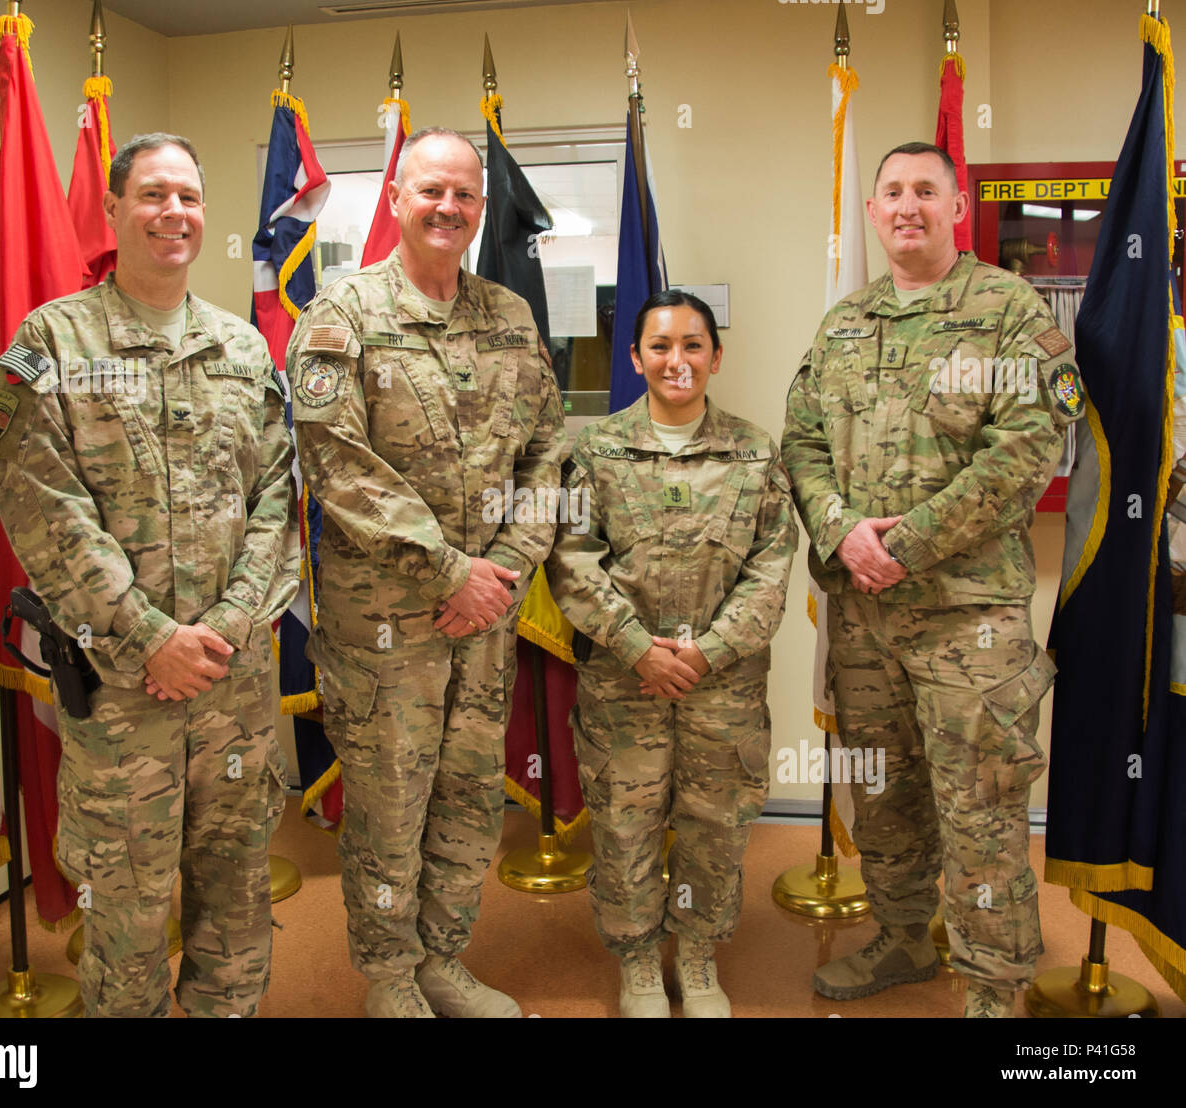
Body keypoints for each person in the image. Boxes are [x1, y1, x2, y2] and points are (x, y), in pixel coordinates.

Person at [0, 133, 299, 1017]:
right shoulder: (49, 342)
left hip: (232, 686)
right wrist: (149, 637)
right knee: (125, 923)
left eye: (190, 197)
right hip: (126, 700)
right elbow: (43, 504)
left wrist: (229, 625)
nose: (175, 214)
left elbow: (278, 495)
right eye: (154, 195)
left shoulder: (242, 347)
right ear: (113, 210)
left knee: (236, 907)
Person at [781, 142, 1087, 1018]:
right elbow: (800, 441)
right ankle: (904, 935)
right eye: (892, 192)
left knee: (982, 806)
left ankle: (996, 992)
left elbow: (1028, 447)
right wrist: (841, 532)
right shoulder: (843, 325)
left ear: (957, 207)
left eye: (926, 190)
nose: (907, 205)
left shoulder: (1005, 310)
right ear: (872, 213)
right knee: (882, 791)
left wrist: (904, 545)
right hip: (863, 613)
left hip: (968, 620)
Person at [285, 128, 567, 1018]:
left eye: (465, 196)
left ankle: (444, 959)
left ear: (481, 209)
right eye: (431, 191)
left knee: (468, 797)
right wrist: (452, 572)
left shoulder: (511, 318)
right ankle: (390, 977)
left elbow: (550, 454)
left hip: (486, 616)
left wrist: (511, 566)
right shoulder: (343, 317)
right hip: (387, 625)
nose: (449, 208)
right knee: (389, 804)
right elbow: (337, 463)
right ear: (398, 199)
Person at [547, 290, 798, 1017]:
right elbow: (571, 560)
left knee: (716, 823)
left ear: (717, 357)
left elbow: (773, 565)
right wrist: (636, 648)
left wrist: (709, 652)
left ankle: (695, 953)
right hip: (626, 684)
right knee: (626, 823)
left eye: (693, 345)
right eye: (660, 346)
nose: (677, 360)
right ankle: (636, 961)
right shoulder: (594, 451)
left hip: (723, 687)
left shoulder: (754, 451)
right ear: (635, 358)